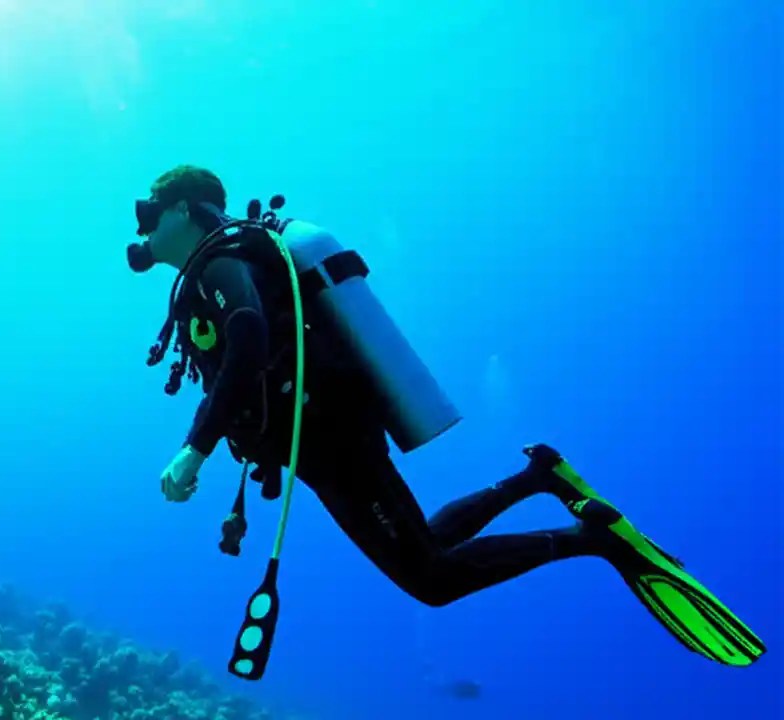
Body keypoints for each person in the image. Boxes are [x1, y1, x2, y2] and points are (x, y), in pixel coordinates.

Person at [125, 164, 764, 672]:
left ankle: (591, 538)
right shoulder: (231, 259)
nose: (145, 229)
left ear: (184, 208)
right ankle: (537, 476)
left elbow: (248, 339)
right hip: (326, 436)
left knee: (430, 579)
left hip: (329, 436)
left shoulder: (218, 261)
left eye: (152, 214)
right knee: (426, 548)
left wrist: (194, 450)